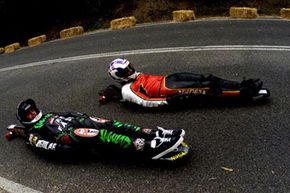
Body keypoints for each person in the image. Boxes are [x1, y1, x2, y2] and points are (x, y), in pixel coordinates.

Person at [13, 98, 185, 160]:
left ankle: (153, 133)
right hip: (71, 137)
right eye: (28, 114)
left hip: (82, 122)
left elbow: (67, 113)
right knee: (104, 135)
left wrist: (82, 116)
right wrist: (63, 148)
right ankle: (148, 146)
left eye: (32, 110)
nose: (33, 113)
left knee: (112, 124)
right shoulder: (32, 133)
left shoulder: (48, 114)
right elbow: (44, 145)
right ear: (24, 119)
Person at [99, 58, 264, 107]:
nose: (131, 70)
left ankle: (240, 84)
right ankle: (244, 93)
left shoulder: (133, 77)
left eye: (130, 67)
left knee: (207, 77)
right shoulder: (127, 90)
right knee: (207, 87)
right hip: (169, 88)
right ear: (119, 76)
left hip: (169, 78)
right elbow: (145, 101)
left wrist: (106, 95)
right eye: (126, 70)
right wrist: (168, 101)